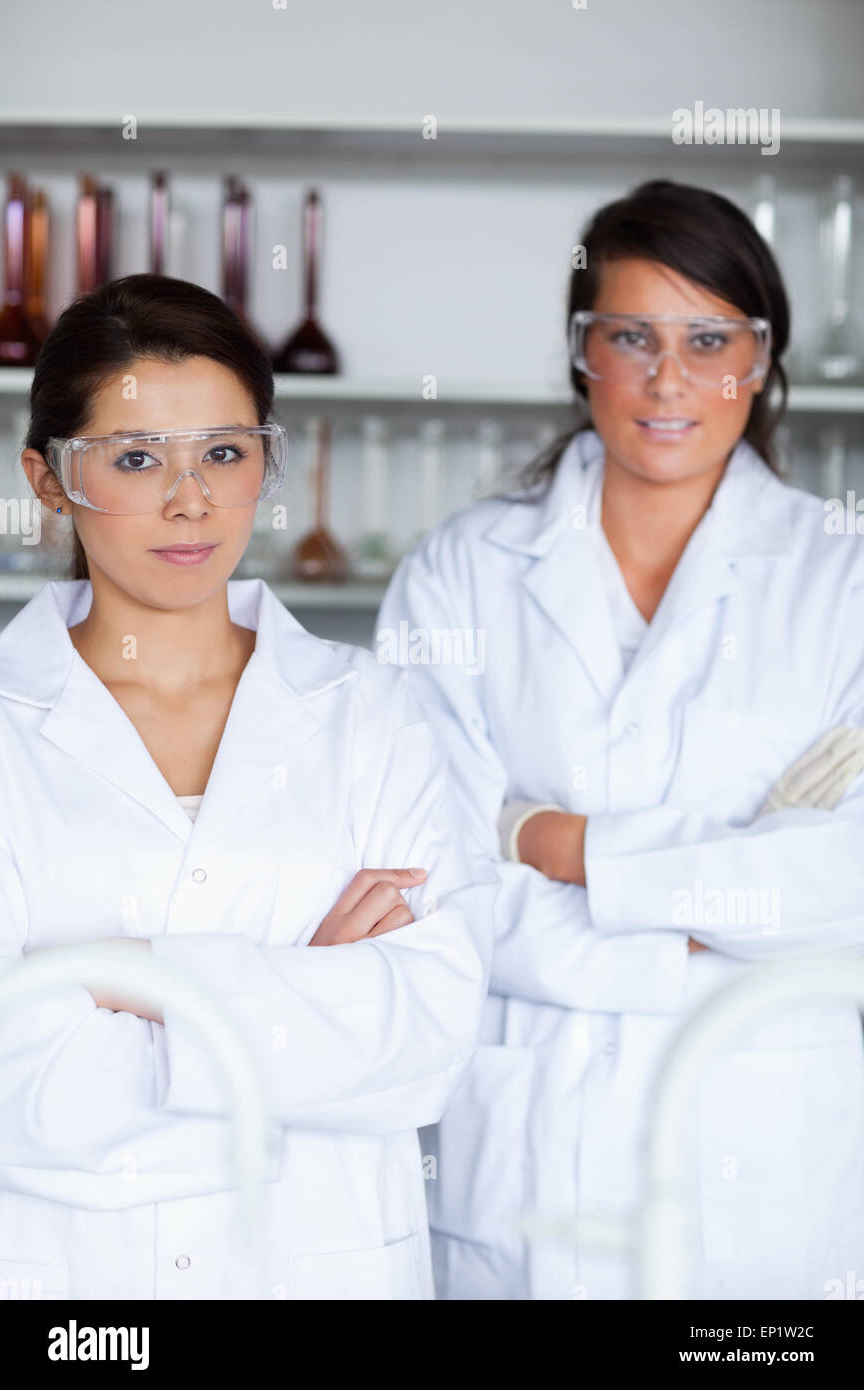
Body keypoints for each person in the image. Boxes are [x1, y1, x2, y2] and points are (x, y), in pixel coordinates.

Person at [376, 180, 864, 1300]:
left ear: (760, 356)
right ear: (578, 351)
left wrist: (560, 842)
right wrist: (709, 924)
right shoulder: (461, 573)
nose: (667, 378)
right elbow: (430, 883)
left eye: (707, 340)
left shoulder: (841, 582)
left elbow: (846, 879)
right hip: (527, 1159)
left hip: (764, 1162)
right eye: (629, 336)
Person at [0, 273, 495, 1301]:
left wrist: (129, 973)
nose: (191, 499)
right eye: (137, 458)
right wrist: (300, 1000)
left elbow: (425, 1042)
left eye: (225, 452)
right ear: (46, 480)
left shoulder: (373, 713)